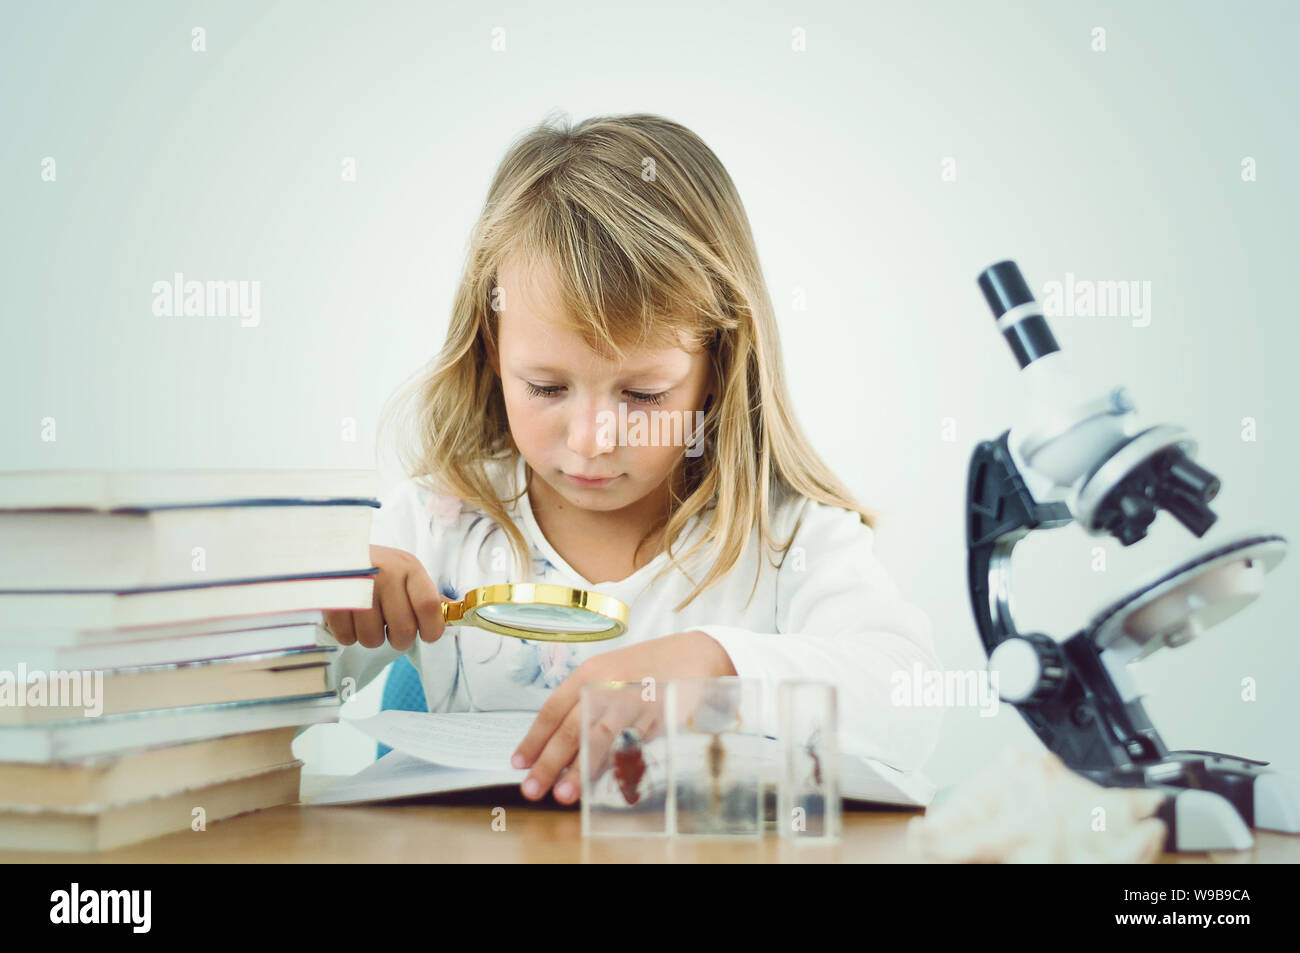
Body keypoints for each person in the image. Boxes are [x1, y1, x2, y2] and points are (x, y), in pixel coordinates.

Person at [322, 111, 943, 804]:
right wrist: (319, 596)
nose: (592, 439)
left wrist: (715, 669)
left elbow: (909, 698)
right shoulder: (436, 523)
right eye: (547, 387)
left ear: (717, 362)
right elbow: (234, 680)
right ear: (493, 349)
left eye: (644, 393)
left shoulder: (786, 537)